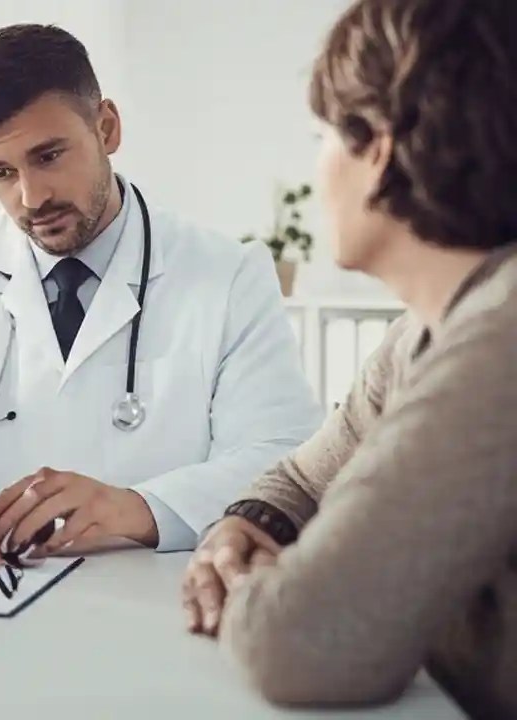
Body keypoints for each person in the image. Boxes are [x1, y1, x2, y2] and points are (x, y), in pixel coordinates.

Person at [0, 23, 323, 574]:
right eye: (0, 172)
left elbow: (282, 462)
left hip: (154, 611)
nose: (31, 197)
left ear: (108, 128)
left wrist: (133, 507)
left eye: (48, 156)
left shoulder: (228, 275)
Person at [179, 0, 517, 716]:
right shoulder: (422, 333)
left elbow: (302, 642)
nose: (316, 164)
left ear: (379, 149)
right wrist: (240, 530)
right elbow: (302, 479)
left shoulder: (502, 338)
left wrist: (265, 590)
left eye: (320, 136)